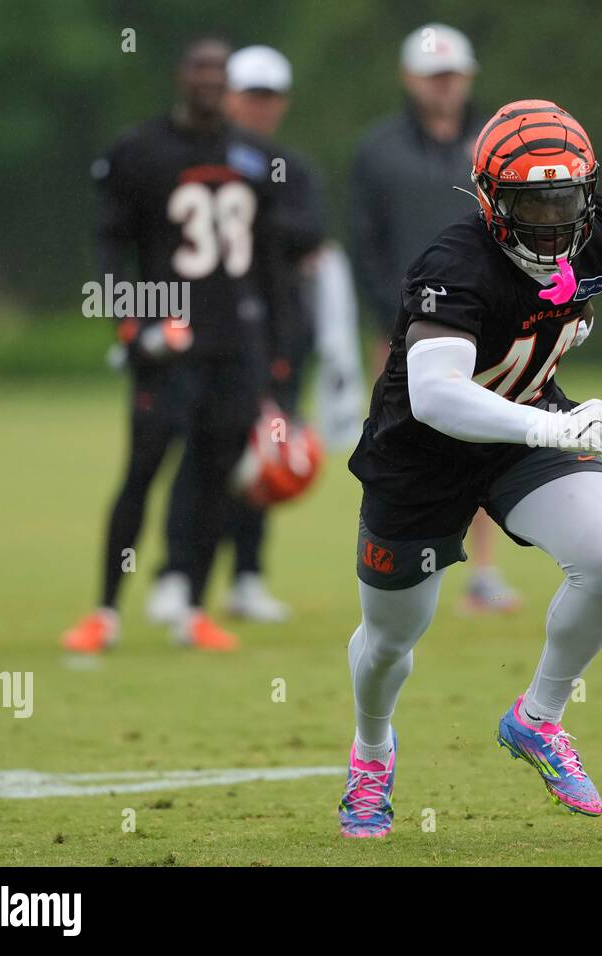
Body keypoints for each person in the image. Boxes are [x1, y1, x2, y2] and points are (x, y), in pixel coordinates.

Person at [338, 100, 602, 838]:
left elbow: (553, 313)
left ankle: (538, 718)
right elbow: (440, 398)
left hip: (520, 427)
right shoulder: (453, 263)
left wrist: (547, 407)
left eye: (564, 198)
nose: (551, 219)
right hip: (421, 457)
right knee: (391, 639)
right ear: (488, 199)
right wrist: (555, 423)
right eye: (531, 202)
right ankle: (372, 752)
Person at [61, 37, 289, 653]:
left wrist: (276, 348)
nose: (210, 80)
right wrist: (132, 322)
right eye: (200, 68)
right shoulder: (141, 151)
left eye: (220, 70)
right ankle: (105, 610)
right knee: (142, 473)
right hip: (169, 344)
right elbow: (111, 244)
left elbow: (270, 261)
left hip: (234, 344)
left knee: (215, 476)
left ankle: (192, 606)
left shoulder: (254, 156)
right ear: (180, 75)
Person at [147, 44, 328, 625]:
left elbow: (310, 231)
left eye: (271, 97)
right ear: (229, 96)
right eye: (252, 95)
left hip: (278, 337)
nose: (261, 107)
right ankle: (175, 574)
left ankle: (247, 574)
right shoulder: (208, 157)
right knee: (200, 454)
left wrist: (255, 215)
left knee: (264, 458)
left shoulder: (290, 167)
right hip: (212, 335)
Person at [348, 23, 520, 614]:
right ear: (409, 80)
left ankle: (484, 571)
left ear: (467, 77)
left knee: (477, 434)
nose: (443, 87)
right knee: (399, 446)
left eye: (452, 76)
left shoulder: (491, 144)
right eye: (432, 77)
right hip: (397, 326)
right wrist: (388, 314)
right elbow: (363, 242)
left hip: (483, 324)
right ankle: (390, 567)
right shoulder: (378, 149)